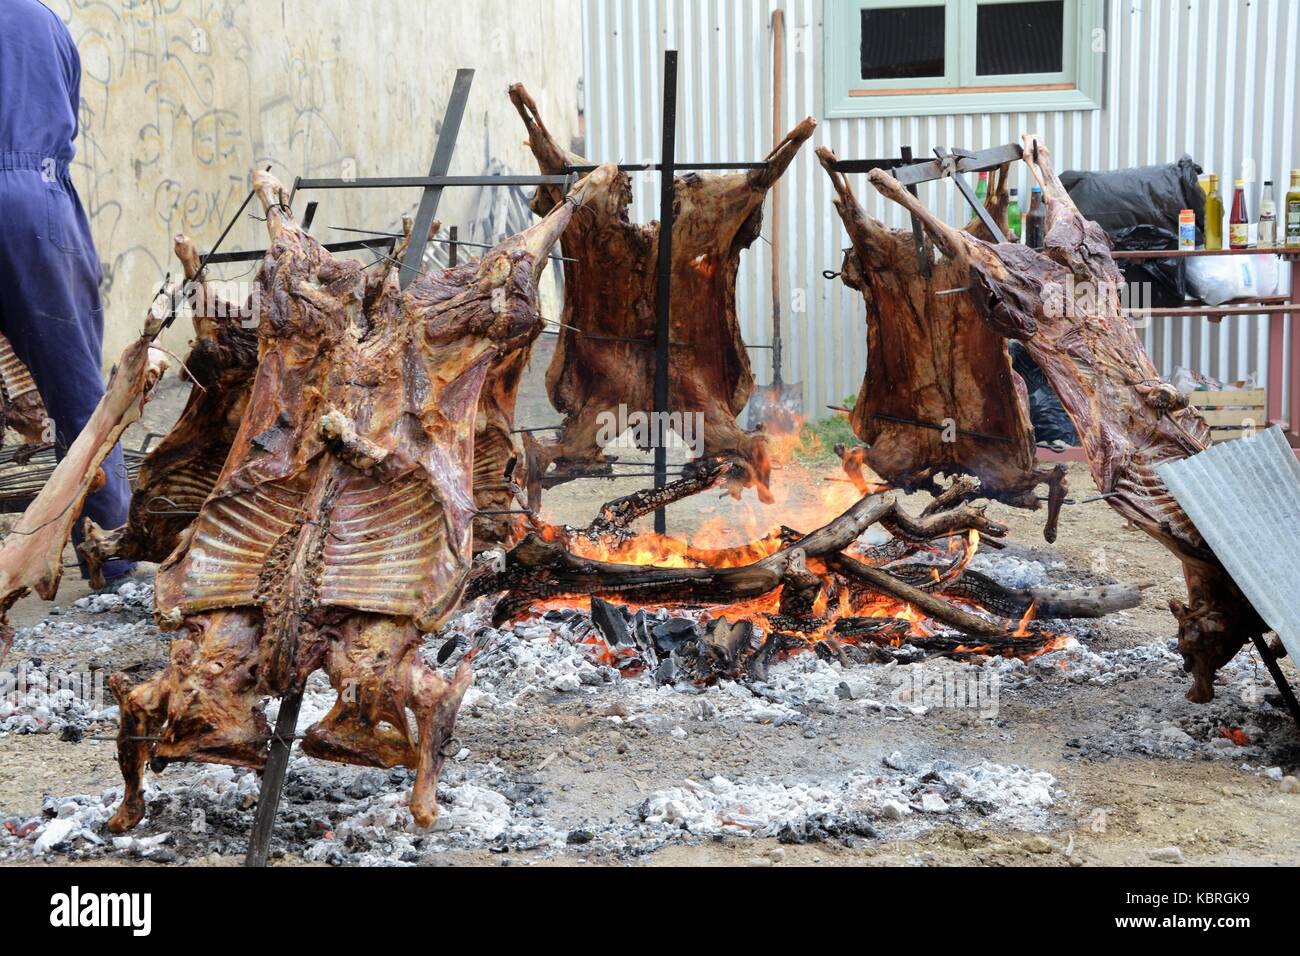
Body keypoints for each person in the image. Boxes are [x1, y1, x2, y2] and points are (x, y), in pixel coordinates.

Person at [0, 0, 134, 583]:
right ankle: (109, 556)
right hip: (35, 199)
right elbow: (65, 112)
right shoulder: (43, 21)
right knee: (79, 395)